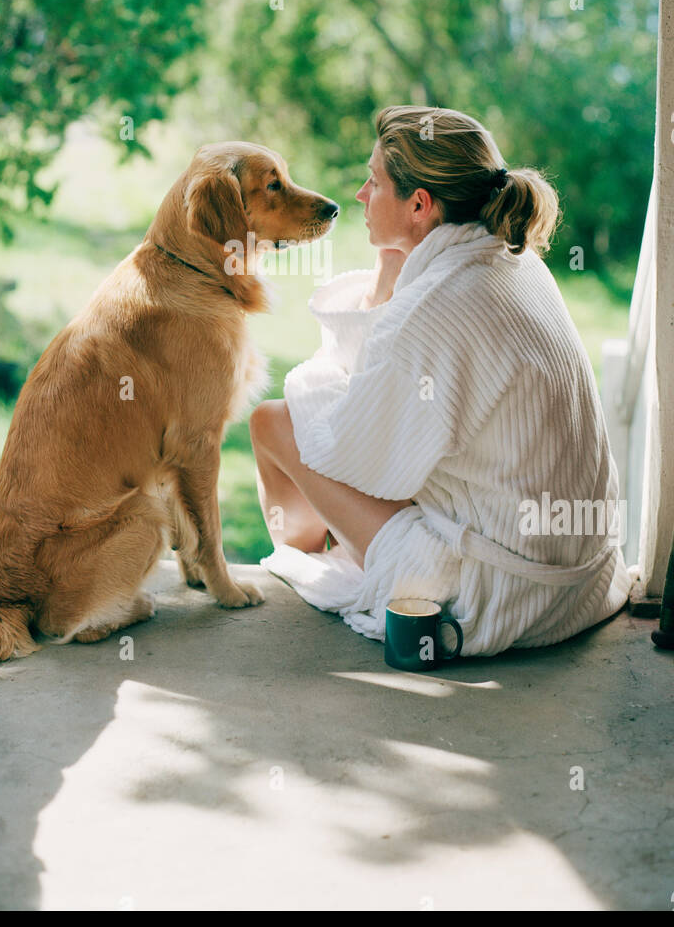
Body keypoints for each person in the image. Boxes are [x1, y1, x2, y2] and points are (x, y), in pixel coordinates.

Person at [249, 105, 633, 655]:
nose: (359, 194)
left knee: (274, 423)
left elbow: (354, 458)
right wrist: (392, 265)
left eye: (374, 181)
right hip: (581, 579)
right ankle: (334, 553)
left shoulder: (432, 307)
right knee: (323, 423)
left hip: (501, 594)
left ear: (420, 205)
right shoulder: (514, 259)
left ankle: (310, 557)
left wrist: (323, 367)